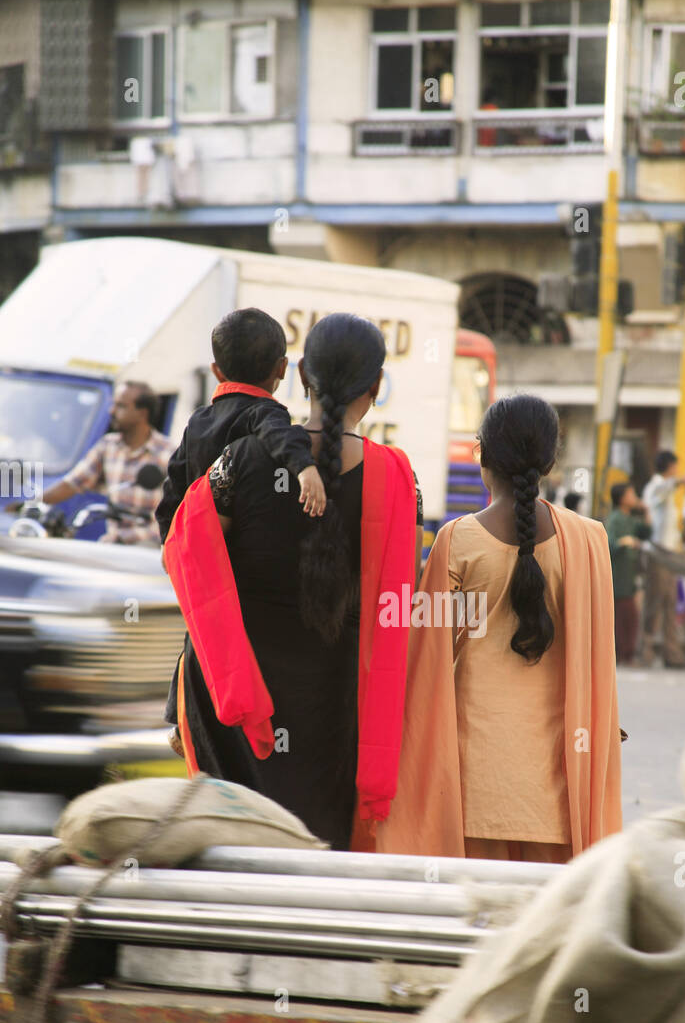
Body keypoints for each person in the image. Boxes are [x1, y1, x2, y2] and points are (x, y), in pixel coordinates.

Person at [163, 313, 421, 850]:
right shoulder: (398, 480)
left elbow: (183, 547)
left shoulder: (242, 459)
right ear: (376, 386)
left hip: (240, 709)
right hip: (341, 712)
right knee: (323, 864)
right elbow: (402, 599)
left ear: (301, 375)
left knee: (234, 862)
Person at [377, 393, 622, 864]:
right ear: (551, 461)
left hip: (477, 779)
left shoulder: (458, 539)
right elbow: (598, 657)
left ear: (483, 457)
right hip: (561, 779)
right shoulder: (591, 540)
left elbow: (425, 658)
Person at [156, 308, 325, 542]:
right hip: (240, 550)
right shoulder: (265, 412)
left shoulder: (198, 420)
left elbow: (174, 483)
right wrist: (305, 468)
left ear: (216, 371)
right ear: (282, 368)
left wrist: (167, 538)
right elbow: (280, 435)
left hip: (201, 547)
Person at [40, 381, 172, 544]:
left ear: (142, 414)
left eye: (121, 406)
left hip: (151, 547)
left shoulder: (169, 453)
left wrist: (125, 538)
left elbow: (174, 517)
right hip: (113, 543)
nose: (112, 411)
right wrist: (32, 502)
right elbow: (73, 482)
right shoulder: (108, 446)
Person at [640, 449, 685, 669]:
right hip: (658, 553)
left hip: (670, 554)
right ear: (670, 467)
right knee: (654, 604)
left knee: (670, 604)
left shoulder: (665, 489)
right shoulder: (656, 486)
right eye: (676, 467)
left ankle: (671, 654)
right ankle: (644, 652)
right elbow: (669, 485)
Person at [605, 481, 652, 664]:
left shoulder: (631, 519)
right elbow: (611, 543)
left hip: (629, 573)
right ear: (622, 498)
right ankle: (622, 654)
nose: (634, 498)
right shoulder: (615, 518)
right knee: (623, 616)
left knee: (629, 616)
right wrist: (625, 541)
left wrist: (646, 510)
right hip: (618, 574)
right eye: (631, 494)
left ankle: (626, 654)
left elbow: (647, 532)